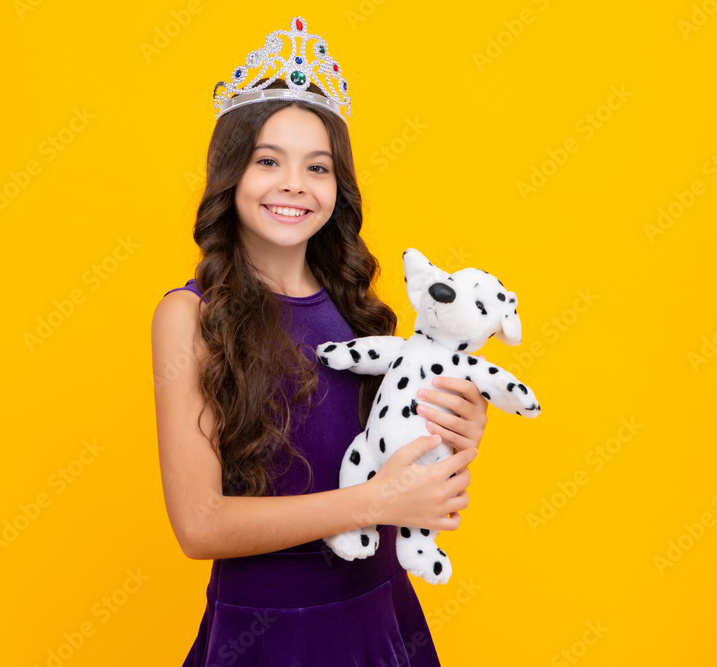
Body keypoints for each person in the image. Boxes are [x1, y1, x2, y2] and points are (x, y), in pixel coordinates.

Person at [152, 17, 489, 666]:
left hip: (382, 613)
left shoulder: (358, 306)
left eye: (318, 167)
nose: (294, 184)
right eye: (268, 161)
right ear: (231, 174)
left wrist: (455, 435)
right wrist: (376, 500)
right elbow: (198, 523)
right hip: (268, 632)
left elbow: (395, 458)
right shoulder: (189, 316)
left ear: (339, 187)